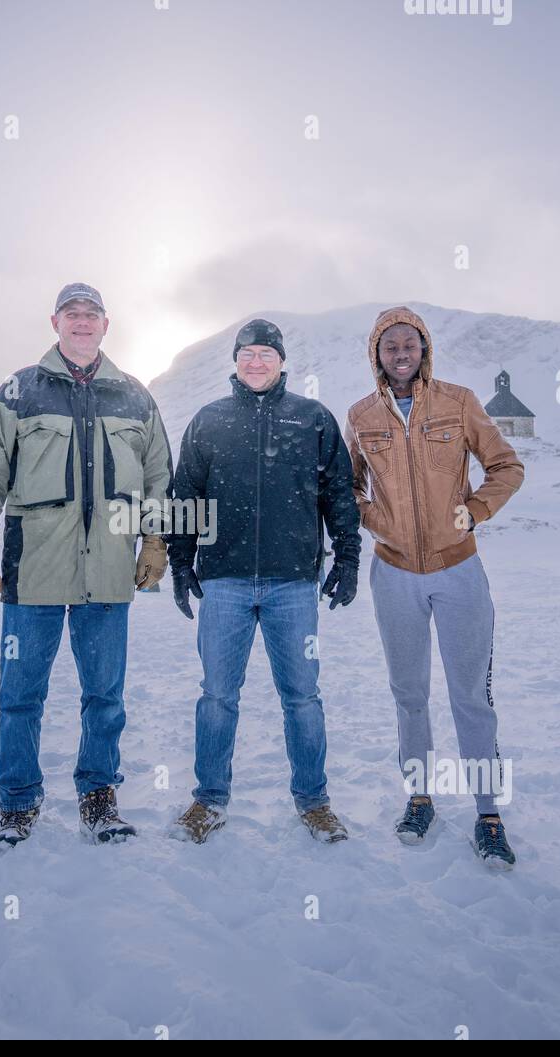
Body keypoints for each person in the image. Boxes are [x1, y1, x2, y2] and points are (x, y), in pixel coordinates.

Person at [0, 284, 172, 855]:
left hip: (109, 574)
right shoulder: (19, 389)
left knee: (105, 695)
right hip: (33, 573)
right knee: (20, 695)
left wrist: (155, 539)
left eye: (92, 315)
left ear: (107, 325)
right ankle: (18, 805)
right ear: (55, 321)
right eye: (72, 314)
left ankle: (99, 799)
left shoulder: (135, 398)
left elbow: (158, 478)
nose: (82, 323)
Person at [166, 319, 361, 844]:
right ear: (235, 360)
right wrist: (181, 564)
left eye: (265, 353)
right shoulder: (209, 421)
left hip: (292, 583)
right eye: (247, 353)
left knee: (302, 696)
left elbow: (339, 494)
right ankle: (208, 801)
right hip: (224, 582)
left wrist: (347, 558)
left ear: (281, 361)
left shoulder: (312, 419)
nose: (256, 362)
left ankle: (314, 801)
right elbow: (185, 496)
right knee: (217, 697)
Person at [344, 306, 524, 868]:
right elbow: (347, 488)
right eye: (389, 345)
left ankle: (488, 813)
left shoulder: (460, 401)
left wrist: (472, 512)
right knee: (409, 695)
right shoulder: (359, 415)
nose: (401, 353)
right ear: (376, 353)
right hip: (393, 572)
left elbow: (507, 466)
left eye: (410, 343)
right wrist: (376, 521)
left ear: (424, 349)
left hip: (458, 569)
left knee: (471, 697)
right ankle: (419, 798)